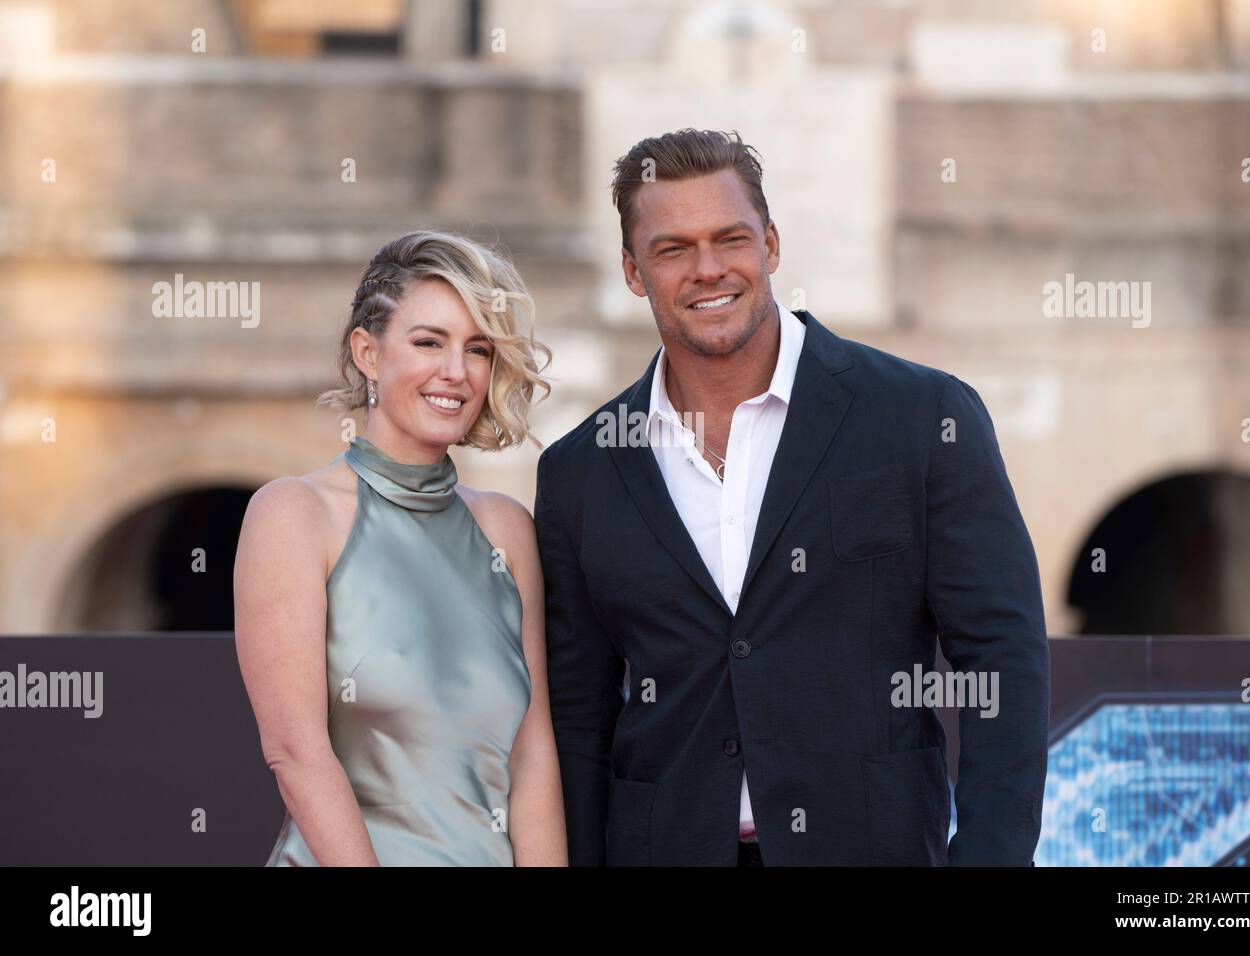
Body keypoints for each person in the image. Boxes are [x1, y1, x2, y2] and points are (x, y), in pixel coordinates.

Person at [535, 129, 1049, 867]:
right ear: (632, 269)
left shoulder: (922, 417)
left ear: (771, 244)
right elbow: (578, 719)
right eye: (673, 248)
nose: (708, 269)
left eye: (730, 238)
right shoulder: (579, 470)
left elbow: (1000, 658)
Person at [234, 230, 567, 866]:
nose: (455, 372)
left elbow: (532, 753)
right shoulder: (293, 515)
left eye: (477, 349)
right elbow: (296, 751)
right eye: (427, 342)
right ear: (367, 351)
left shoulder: (506, 530)